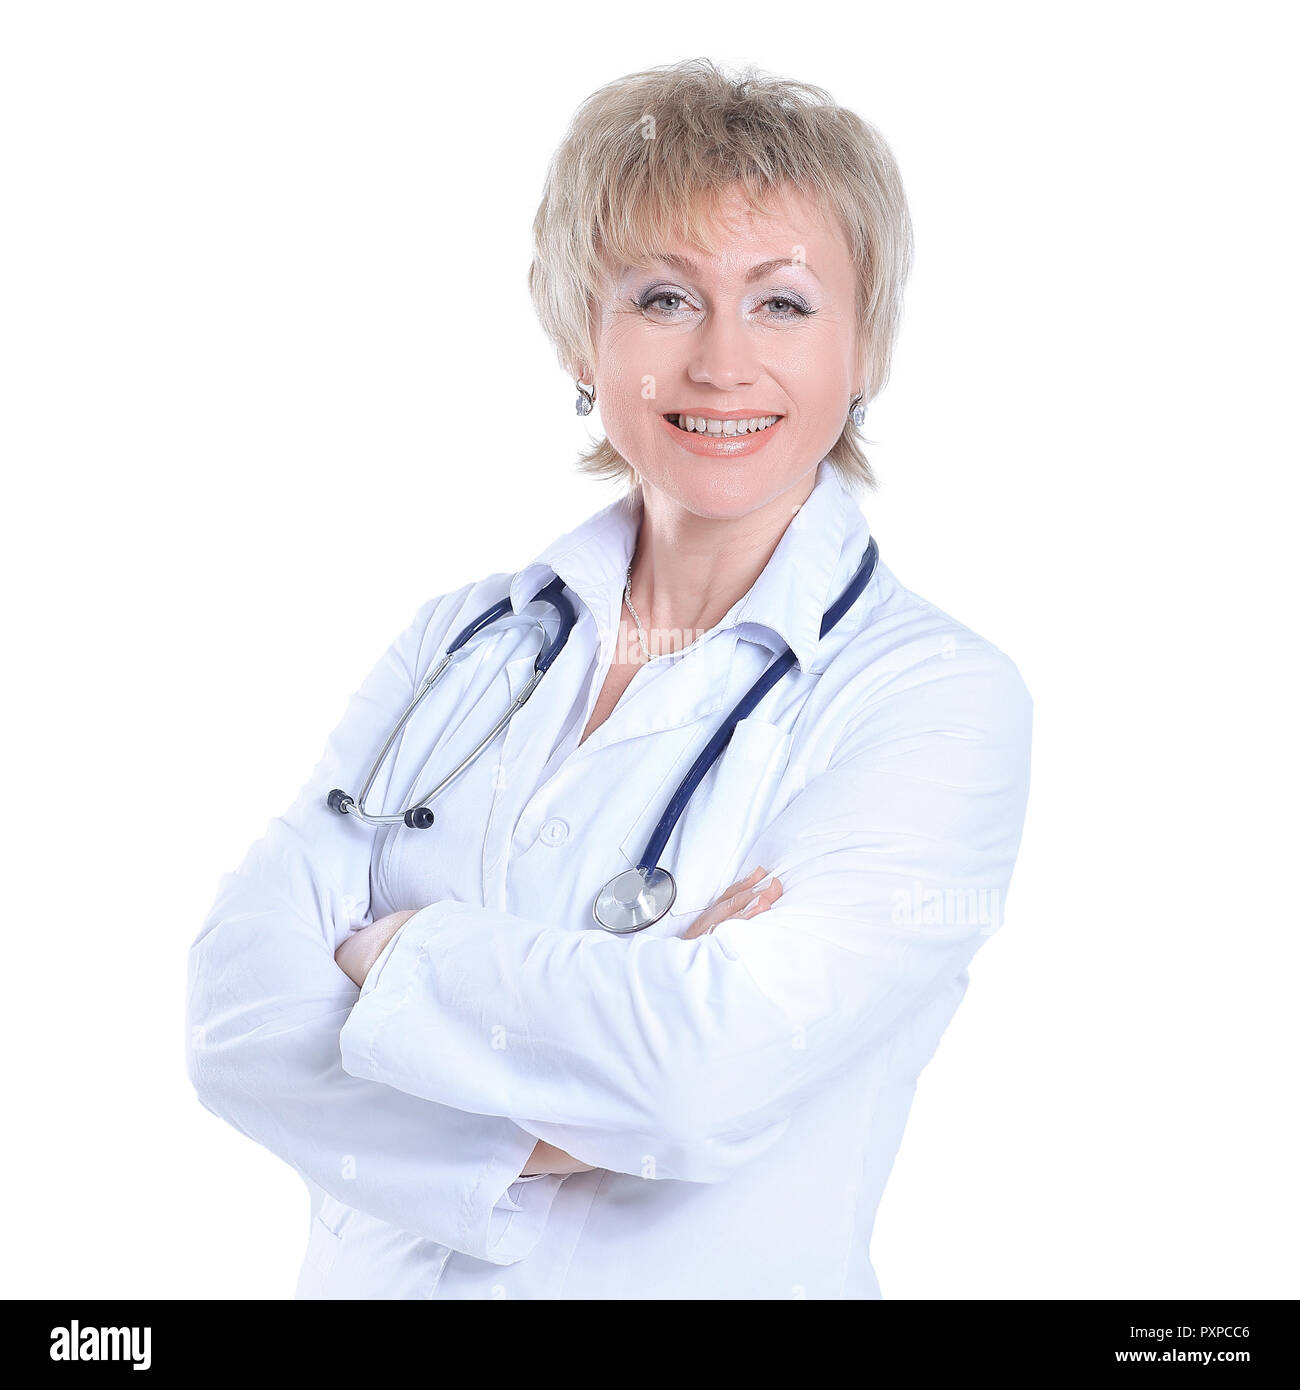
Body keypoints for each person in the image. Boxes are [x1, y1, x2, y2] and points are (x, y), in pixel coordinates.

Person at [186, 57, 1032, 1300]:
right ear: (586, 333)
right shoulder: (462, 642)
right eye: (664, 298)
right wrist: (572, 1096)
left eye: (784, 304)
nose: (722, 364)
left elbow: (704, 1075)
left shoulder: (934, 700)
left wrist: (399, 947)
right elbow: (231, 1019)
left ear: (865, 347)